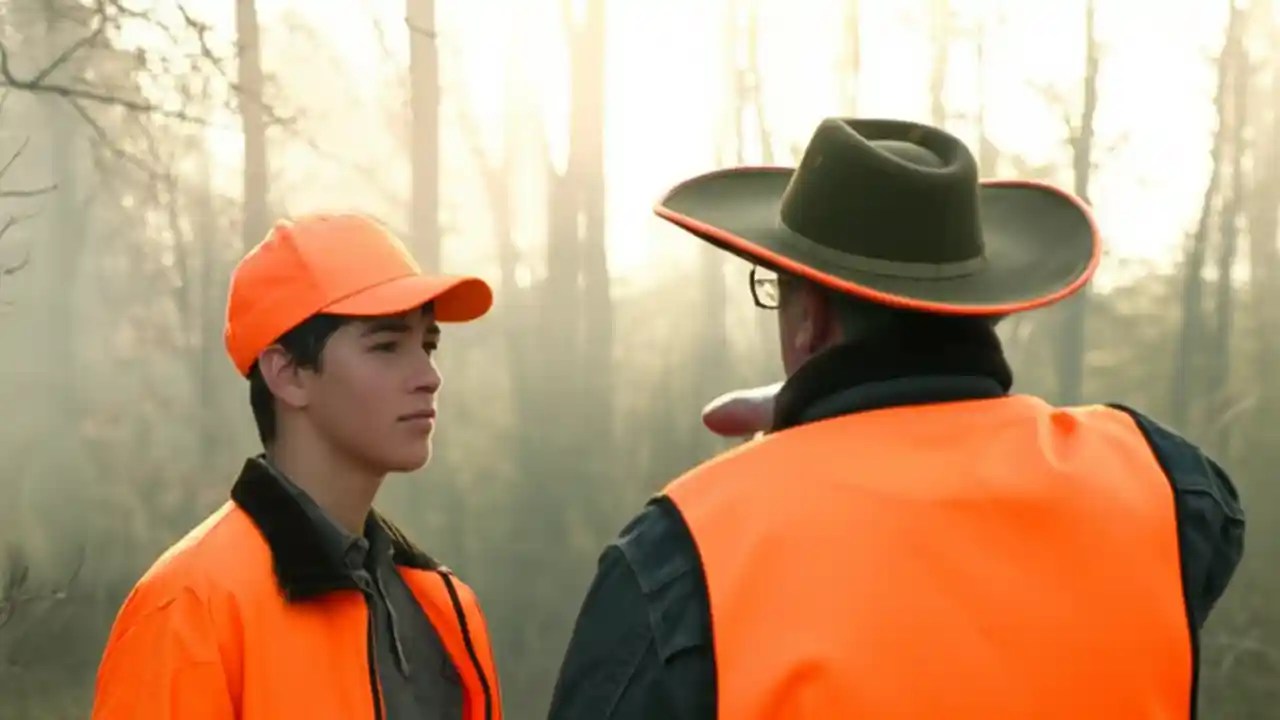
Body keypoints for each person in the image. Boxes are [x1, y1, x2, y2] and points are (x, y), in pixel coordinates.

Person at [546, 118, 1246, 719]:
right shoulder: (1157, 483)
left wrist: (813, 424)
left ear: (810, 319)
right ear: (983, 306)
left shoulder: (683, 552)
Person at [91, 213, 503, 720]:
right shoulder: (189, 607)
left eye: (428, 345)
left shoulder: (447, 609)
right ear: (288, 374)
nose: (429, 375)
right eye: (386, 346)